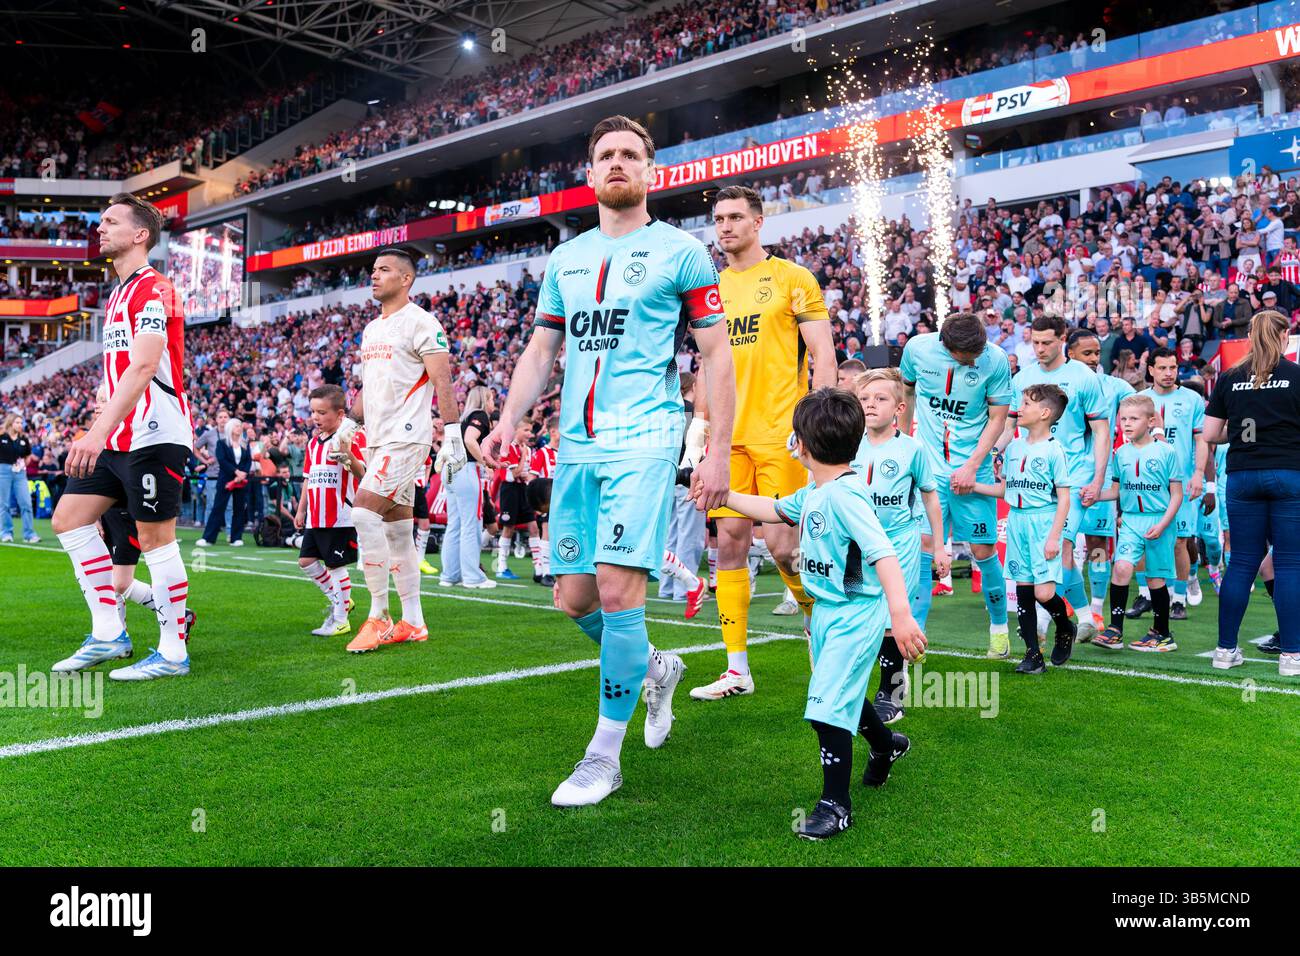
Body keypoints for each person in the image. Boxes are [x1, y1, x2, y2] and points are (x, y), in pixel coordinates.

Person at [480, 116, 736, 806]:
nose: (617, 164)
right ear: (590, 175)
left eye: (630, 154)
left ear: (651, 172)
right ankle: (655, 667)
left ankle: (602, 758)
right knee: (574, 598)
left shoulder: (681, 251)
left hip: (645, 439)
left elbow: (716, 355)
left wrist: (713, 451)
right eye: (605, 156)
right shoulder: (566, 259)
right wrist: (509, 417)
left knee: (621, 595)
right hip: (578, 447)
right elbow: (541, 351)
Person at [696, 387, 925, 840]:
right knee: (839, 692)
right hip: (826, 614)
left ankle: (836, 805)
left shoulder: (845, 496)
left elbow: (883, 554)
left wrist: (900, 615)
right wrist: (721, 496)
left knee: (824, 710)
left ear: (801, 445)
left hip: (855, 613)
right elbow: (774, 509)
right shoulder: (818, 490)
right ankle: (887, 744)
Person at [688, 183, 834, 700]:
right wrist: (702, 430)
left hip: (782, 433)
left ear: (757, 222)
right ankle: (736, 669)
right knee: (726, 544)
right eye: (718, 219)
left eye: (733, 217)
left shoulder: (794, 278)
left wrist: (820, 423)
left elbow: (822, 352)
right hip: (730, 440)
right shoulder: (710, 287)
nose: (724, 226)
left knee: (783, 544)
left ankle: (821, 631)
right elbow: (708, 364)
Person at [50, 192, 195, 681]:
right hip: (117, 435)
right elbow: (120, 371)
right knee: (69, 520)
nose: (100, 228)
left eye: (110, 222)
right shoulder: (116, 295)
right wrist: (102, 413)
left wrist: (94, 432)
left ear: (140, 235)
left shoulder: (157, 288)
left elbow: (146, 365)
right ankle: (109, 633)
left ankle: (173, 652)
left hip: (154, 433)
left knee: (156, 540)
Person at [336, 247, 465, 654]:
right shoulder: (373, 329)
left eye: (384, 270)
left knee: (362, 511)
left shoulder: (422, 322)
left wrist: (455, 433)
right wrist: (350, 422)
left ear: (406, 279)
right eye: (373, 270)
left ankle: (379, 615)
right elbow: (371, 387)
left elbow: (442, 380)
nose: (374, 276)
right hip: (378, 438)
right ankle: (414, 620)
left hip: (407, 437)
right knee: (396, 531)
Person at [899, 313, 1012, 656]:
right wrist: (903, 443)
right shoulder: (918, 349)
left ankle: (999, 629)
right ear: (947, 347)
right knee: (922, 545)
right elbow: (907, 390)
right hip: (929, 468)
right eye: (968, 355)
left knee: (982, 551)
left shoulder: (995, 359)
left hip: (972, 471)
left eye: (978, 351)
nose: (975, 359)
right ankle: (915, 635)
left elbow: (998, 418)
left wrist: (973, 466)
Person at [997, 315, 1110, 636]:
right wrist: (997, 451)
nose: (1040, 348)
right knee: (1048, 552)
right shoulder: (1023, 378)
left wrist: (1098, 479)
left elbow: (1101, 431)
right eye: (1035, 342)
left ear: (1063, 339)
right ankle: (1085, 616)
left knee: (1062, 546)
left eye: (1047, 342)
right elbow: (1010, 426)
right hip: (1036, 479)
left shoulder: (1084, 378)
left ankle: (1051, 618)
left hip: (1074, 477)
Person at [1204, 309, 1300, 676]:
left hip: (1243, 477)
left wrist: (1249, 432)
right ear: (1284, 335)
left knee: (1243, 562)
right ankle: (1292, 656)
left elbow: (1212, 434)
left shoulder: (1230, 378)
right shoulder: (1295, 376)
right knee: (1290, 562)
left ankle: (1225, 650)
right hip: (1289, 474)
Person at [852, 369, 947, 724]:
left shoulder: (912, 449)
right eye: (864, 399)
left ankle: (890, 693)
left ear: (899, 407)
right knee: (860, 610)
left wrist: (938, 547)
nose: (871, 405)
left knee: (894, 616)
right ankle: (864, 681)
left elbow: (931, 499)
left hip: (899, 546)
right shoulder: (848, 445)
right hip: (856, 547)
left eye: (880, 399)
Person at [968, 384, 1075, 673]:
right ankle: (1032, 655)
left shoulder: (1054, 450)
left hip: (1043, 523)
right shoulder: (1013, 447)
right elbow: (1007, 490)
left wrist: (1055, 536)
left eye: (1027, 404)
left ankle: (1066, 626)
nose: (1021, 408)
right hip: (1017, 522)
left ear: (1044, 413)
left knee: (1043, 593)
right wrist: (974, 486)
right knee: (1024, 591)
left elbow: (1064, 497)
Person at [1093, 395, 1183, 652]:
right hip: (1131, 521)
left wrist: (1164, 524)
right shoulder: (1120, 453)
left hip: (1160, 520)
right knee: (1121, 568)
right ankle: (1115, 630)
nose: (1127, 424)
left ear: (1150, 420)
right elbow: (1115, 491)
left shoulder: (1166, 452)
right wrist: (1094, 493)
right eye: (1123, 419)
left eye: (1134, 418)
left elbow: (1177, 494)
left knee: (1155, 579)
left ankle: (1162, 633)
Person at [1131, 348, 1210, 621]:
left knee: (1179, 542)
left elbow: (1201, 440)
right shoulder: (1139, 401)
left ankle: (1178, 600)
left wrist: (1200, 474)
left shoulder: (1192, 399)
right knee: (1143, 538)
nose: (1168, 373)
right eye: (1162, 368)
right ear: (1150, 369)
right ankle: (1145, 595)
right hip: (1145, 483)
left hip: (1181, 482)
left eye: (1173, 368)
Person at [1067, 328, 1133, 641]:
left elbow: (1142, 409)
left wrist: (1154, 435)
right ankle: (1063, 605)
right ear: (1071, 355)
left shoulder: (1115, 386)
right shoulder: (1058, 382)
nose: (1094, 359)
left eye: (1096, 354)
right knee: (1060, 544)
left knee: (1096, 545)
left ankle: (1095, 609)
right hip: (1061, 476)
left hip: (1099, 478)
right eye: (1087, 354)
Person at [295, 384, 366, 637]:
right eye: (314, 412)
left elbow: (364, 474)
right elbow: (307, 478)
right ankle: (342, 600)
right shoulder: (313, 444)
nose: (316, 417)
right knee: (306, 561)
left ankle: (341, 619)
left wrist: (348, 458)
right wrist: (301, 510)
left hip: (339, 516)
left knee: (336, 566)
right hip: (316, 515)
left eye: (322, 412)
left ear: (340, 415)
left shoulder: (350, 439)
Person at [440, 385, 496, 589]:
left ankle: (450, 574)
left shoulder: (463, 419)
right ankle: (472, 577)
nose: (493, 404)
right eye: (491, 399)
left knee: (454, 524)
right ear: (484, 399)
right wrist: (485, 461)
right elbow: (470, 439)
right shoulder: (480, 416)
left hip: (451, 470)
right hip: (466, 468)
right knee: (471, 524)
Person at [494, 420, 552, 584]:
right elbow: (516, 472)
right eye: (526, 430)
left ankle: (539, 569)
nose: (530, 434)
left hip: (523, 489)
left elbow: (525, 473)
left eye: (531, 431)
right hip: (510, 490)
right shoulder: (511, 447)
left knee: (534, 527)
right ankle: (501, 566)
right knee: (508, 528)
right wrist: (524, 457)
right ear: (516, 431)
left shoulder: (527, 448)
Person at [199, 418, 252, 546]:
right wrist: (236, 472)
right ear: (230, 428)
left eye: (240, 426)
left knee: (239, 509)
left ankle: (236, 537)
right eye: (237, 426)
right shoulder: (222, 443)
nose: (239, 428)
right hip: (226, 479)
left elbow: (248, 461)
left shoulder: (245, 443)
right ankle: (208, 538)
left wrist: (242, 474)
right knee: (218, 507)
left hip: (241, 481)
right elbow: (222, 460)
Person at [0, 413, 39, 543]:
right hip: (3, 471)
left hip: (20, 473)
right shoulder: (1, 437)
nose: (20, 425)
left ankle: (29, 534)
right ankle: (6, 533)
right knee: (3, 504)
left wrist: (22, 465)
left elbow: (28, 456)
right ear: (10, 423)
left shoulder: (24, 439)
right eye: (17, 422)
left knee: (26, 503)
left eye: (21, 422)